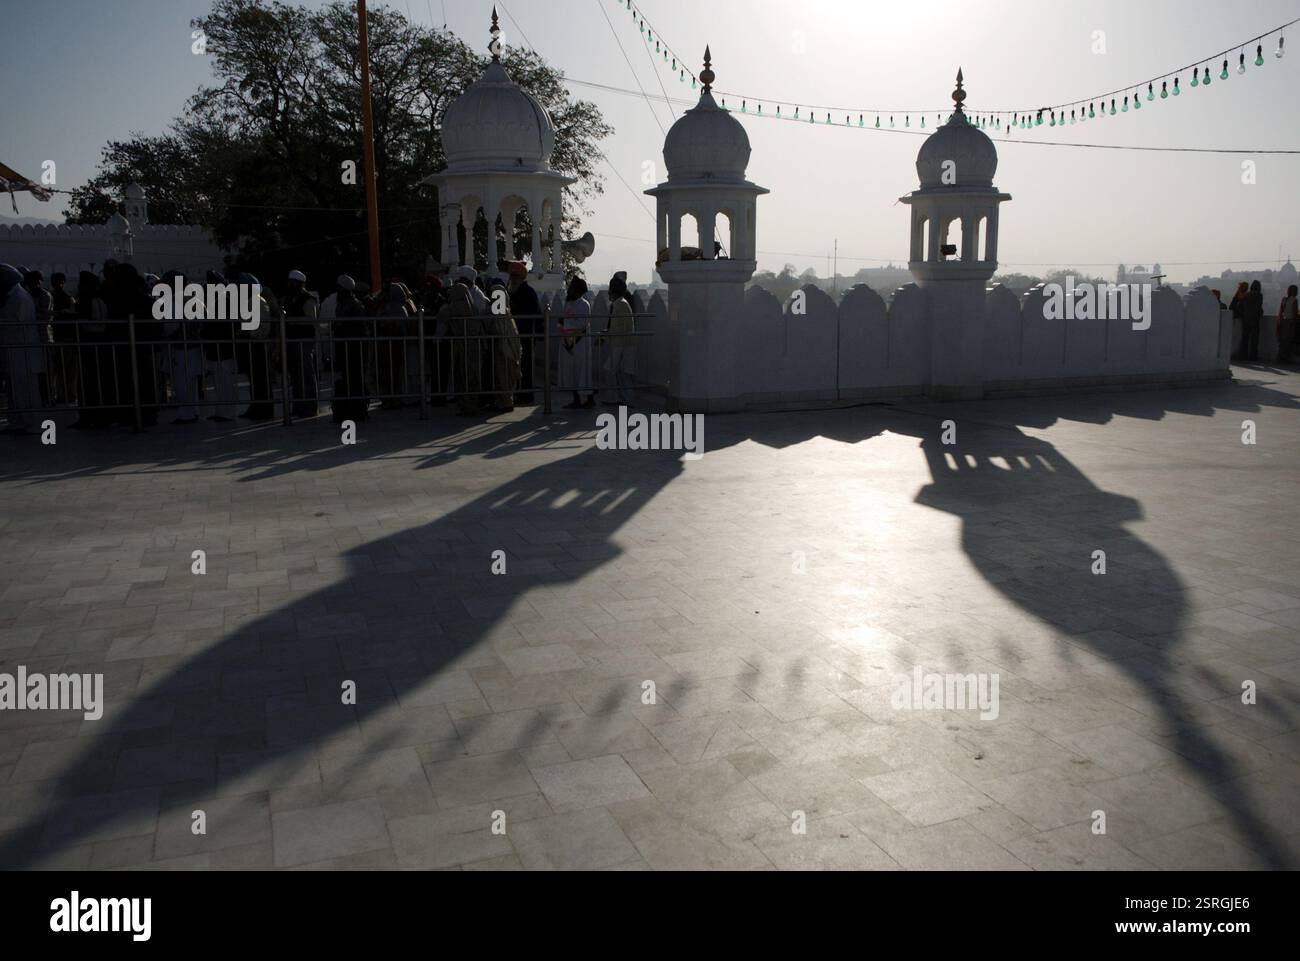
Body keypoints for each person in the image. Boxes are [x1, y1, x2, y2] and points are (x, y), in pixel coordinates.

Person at [0, 264, 45, 434]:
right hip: (14, 353)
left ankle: (33, 422)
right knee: (15, 389)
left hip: (23, 353)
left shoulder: (20, 297)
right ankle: (18, 421)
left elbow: (19, 323)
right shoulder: (11, 297)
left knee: (27, 390)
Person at [160, 270, 204, 424]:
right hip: (194, 345)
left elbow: (170, 326)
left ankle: (186, 413)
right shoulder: (194, 299)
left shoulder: (174, 301)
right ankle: (193, 410)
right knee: (191, 380)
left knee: (180, 381)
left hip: (179, 346)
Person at [443, 266, 486, 416]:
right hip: (462, 343)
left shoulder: (477, 297)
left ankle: (470, 404)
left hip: (473, 343)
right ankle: (464, 403)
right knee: (461, 374)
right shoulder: (461, 296)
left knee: (471, 374)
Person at [69, 271, 109, 428]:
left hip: (90, 345)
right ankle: (94, 415)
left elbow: (97, 325)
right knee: (92, 381)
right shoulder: (96, 300)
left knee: (90, 382)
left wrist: (77, 321)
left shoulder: (90, 301)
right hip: (93, 346)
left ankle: (91, 415)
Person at [200, 268, 239, 422]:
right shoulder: (216, 301)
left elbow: (221, 326)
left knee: (225, 381)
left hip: (223, 348)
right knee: (219, 381)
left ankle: (227, 412)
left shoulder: (226, 301)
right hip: (216, 348)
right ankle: (221, 411)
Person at [331, 274, 370, 423]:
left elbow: (358, 328)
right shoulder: (342, 304)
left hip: (354, 350)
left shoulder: (355, 305)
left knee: (355, 379)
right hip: (344, 348)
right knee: (346, 379)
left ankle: (357, 410)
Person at [282, 269, 320, 418]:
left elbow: (312, 319)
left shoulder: (307, 299)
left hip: (304, 340)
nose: (291, 284)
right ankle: (299, 405)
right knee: (295, 375)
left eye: (294, 282)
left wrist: (293, 320)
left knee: (306, 374)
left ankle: (310, 406)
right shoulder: (288, 298)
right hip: (291, 340)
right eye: (290, 281)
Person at [483, 274, 522, 412]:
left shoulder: (499, 312)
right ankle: (504, 402)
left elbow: (494, 328)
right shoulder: (505, 312)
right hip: (505, 347)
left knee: (503, 375)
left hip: (502, 347)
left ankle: (505, 403)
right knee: (503, 375)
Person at [506, 261, 541, 404]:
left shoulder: (527, 292)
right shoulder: (512, 291)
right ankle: (519, 393)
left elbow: (533, 314)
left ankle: (526, 394)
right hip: (515, 335)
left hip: (525, 335)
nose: (512, 279)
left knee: (526, 366)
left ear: (521, 277)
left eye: (515, 276)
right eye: (511, 276)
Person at [602, 271, 637, 407]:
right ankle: (624, 399)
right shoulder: (619, 303)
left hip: (622, 343)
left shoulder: (621, 304)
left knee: (613, 370)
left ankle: (616, 398)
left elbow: (622, 327)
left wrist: (607, 333)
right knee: (622, 373)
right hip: (621, 342)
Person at [560, 276, 594, 409]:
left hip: (581, 343)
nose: (570, 291)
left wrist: (572, 341)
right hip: (568, 342)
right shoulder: (568, 303)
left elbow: (582, 326)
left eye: (573, 288)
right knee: (572, 372)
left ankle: (589, 399)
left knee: (583, 372)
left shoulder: (584, 304)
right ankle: (576, 400)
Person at [1241, 280, 1264, 364]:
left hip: (1246, 318)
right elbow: (1258, 306)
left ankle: (1243, 355)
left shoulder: (1246, 295)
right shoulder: (1259, 295)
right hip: (1255, 319)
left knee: (1245, 338)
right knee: (1254, 339)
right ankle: (1253, 356)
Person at [1228, 281, 1249, 360]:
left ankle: (1233, 353)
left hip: (1236, 318)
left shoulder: (1237, 296)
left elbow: (1231, 307)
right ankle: (1234, 353)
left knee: (1235, 337)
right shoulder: (1245, 296)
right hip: (1239, 319)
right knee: (1237, 338)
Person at [1279, 284, 1299, 364]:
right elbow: (1295, 312)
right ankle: (1286, 357)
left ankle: (1280, 356)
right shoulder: (1294, 300)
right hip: (1290, 321)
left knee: (1282, 340)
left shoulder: (1284, 299)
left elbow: (1282, 310)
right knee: (1288, 340)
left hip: (1283, 321)